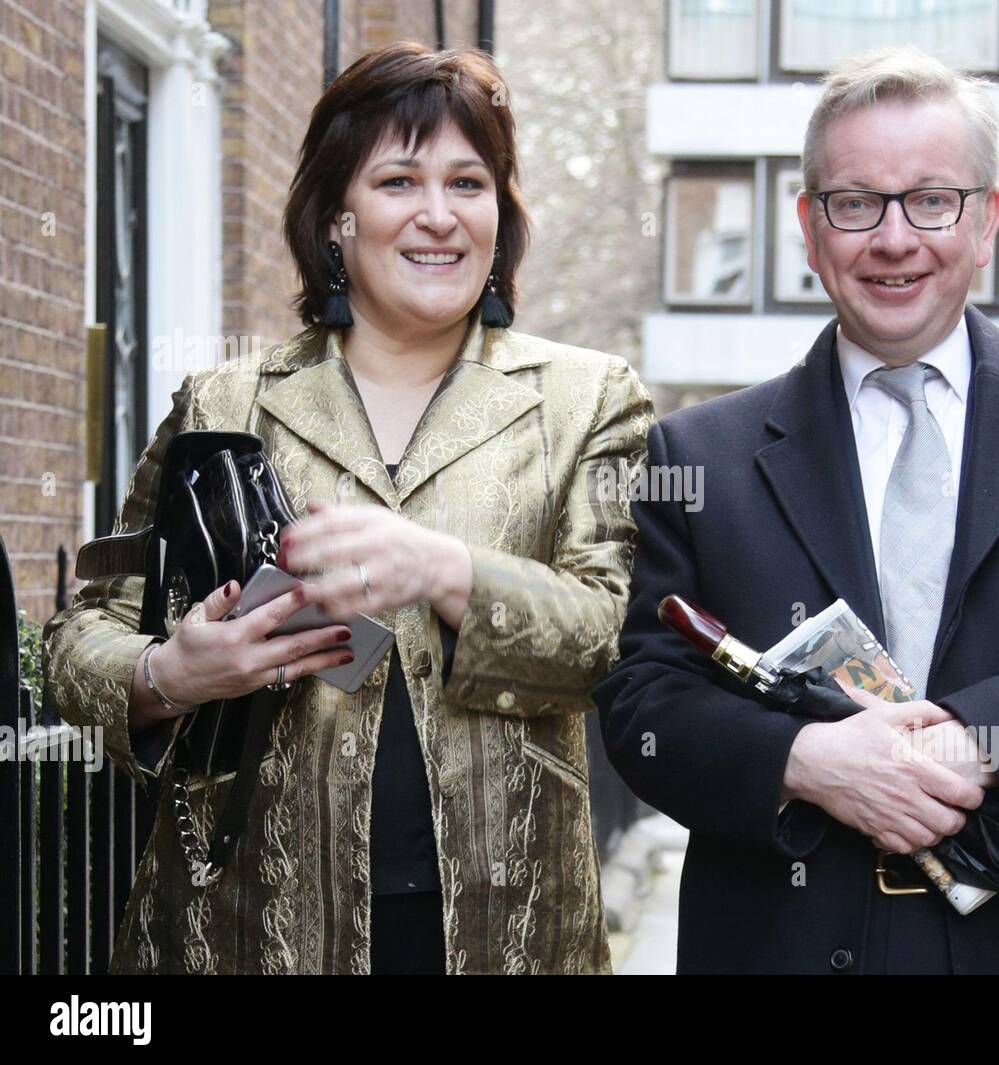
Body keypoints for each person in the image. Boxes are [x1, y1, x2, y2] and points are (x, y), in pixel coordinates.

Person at [595, 46, 999, 974]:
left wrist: (972, 743)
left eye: (932, 200)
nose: (895, 238)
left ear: (988, 220)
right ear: (810, 229)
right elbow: (642, 700)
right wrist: (804, 762)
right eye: (856, 203)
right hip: (789, 940)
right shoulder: (699, 454)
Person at [43, 43, 653, 975]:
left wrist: (447, 572)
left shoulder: (587, 401)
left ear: (501, 213)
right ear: (338, 219)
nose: (439, 216)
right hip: (246, 923)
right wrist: (170, 672)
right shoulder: (225, 404)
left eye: (469, 182)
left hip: (507, 925)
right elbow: (80, 638)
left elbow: (609, 638)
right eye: (399, 181)